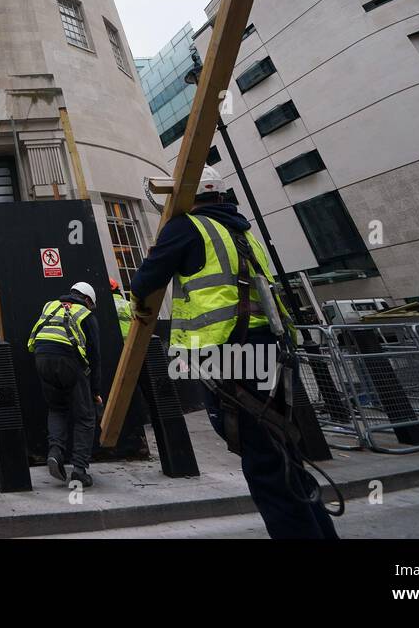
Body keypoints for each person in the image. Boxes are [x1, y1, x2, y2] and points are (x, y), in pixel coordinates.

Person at [131, 166, 338, 539]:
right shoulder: (243, 232)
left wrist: (158, 257)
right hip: (270, 348)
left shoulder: (186, 228)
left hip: (228, 354)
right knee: (282, 452)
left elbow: (143, 283)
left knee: (264, 463)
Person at [27, 281, 101, 488]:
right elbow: (95, 356)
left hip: (41, 358)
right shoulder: (85, 314)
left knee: (57, 408)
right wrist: (95, 390)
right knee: (85, 416)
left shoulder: (50, 305)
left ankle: (55, 453)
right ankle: (79, 470)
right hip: (67, 360)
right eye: (91, 304)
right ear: (87, 300)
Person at [109, 278, 149, 458]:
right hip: (137, 350)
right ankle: (145, 420)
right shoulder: (126, 304)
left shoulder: (103, 306)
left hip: (118, 353)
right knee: (141, 389)